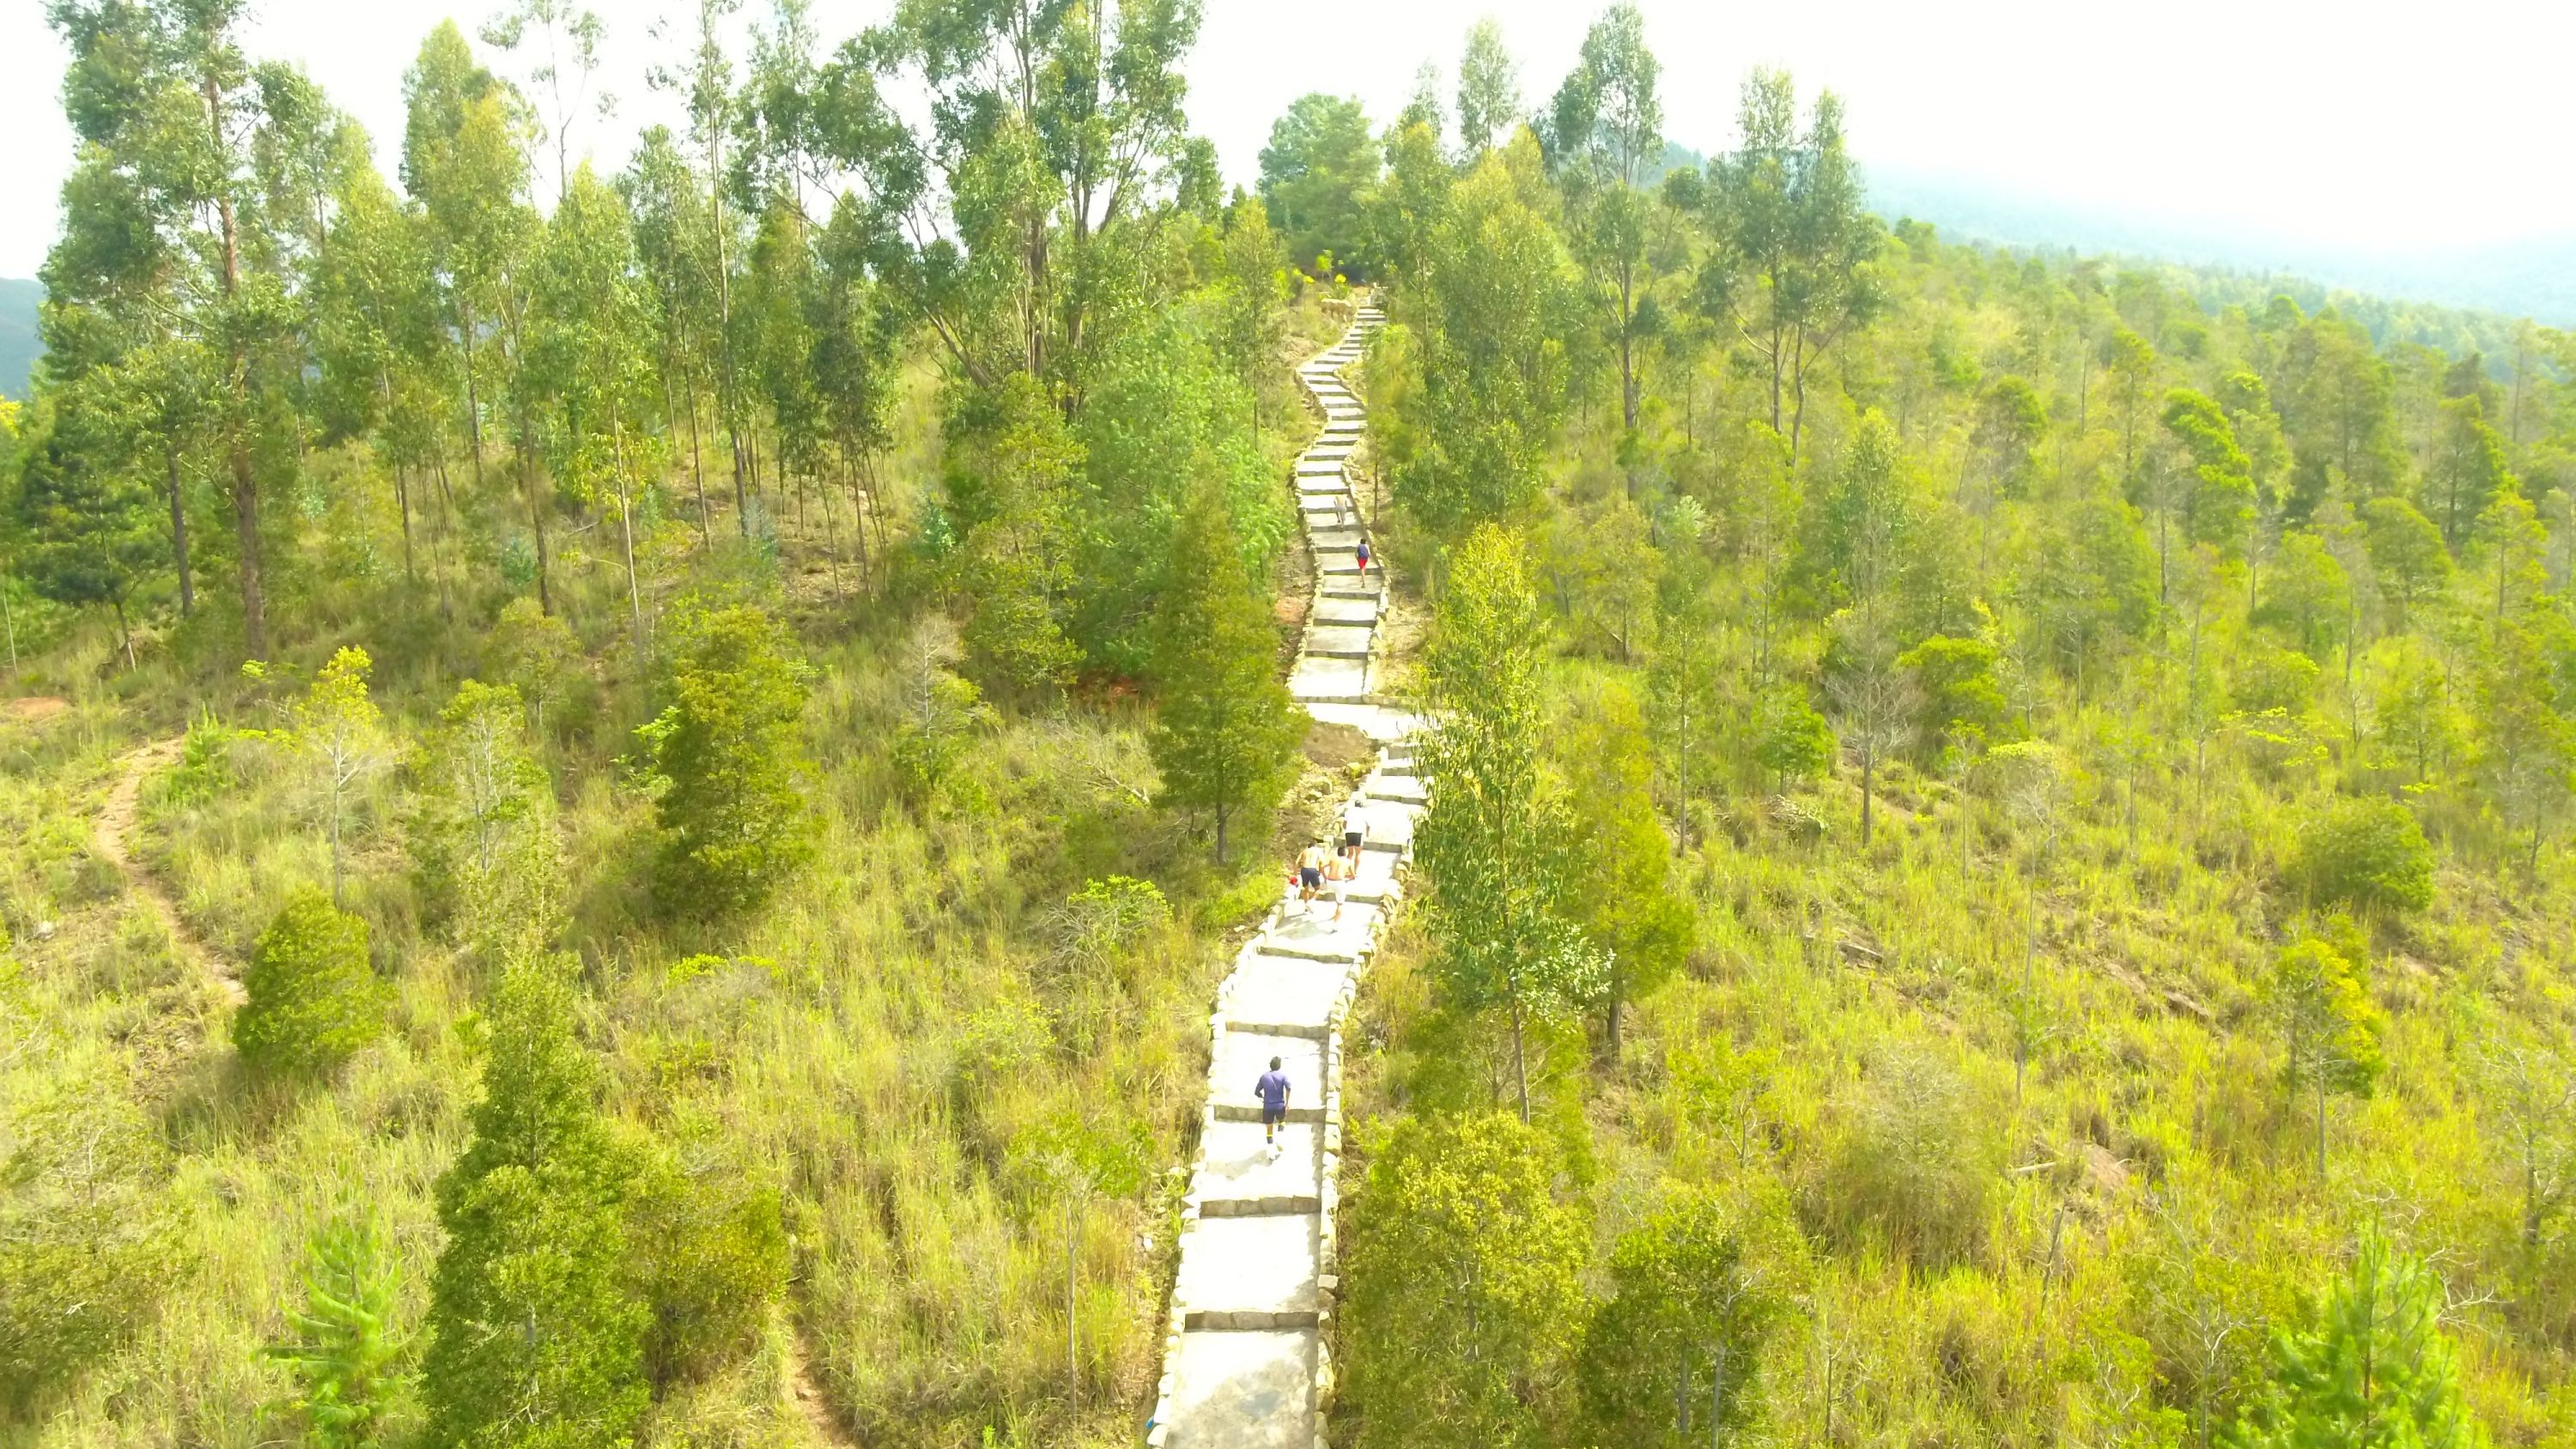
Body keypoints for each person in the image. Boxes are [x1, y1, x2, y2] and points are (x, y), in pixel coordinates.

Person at [1256, 1056, 1292, 1156]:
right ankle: (1280, 1138)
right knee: (1282, 1121)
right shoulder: (1283, 1076)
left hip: (1267, 1107)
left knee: (1269, 1129)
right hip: (1280, 1106)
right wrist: (1287, 1103)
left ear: (1270, 1065)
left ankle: (1271, 1154)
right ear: (1279, 1066)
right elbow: (1289, 1088)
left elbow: (1257, 1092)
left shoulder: (1264, 1077)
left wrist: (1262, 1097)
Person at [1296, 842, 1327, 913]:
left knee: (1306, 889)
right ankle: (1311, 902)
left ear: (1308, 847)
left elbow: (1296, 862)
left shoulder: (1304, 851)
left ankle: (1306, 906)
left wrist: (1295, 874)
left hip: (1304, 870)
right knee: (1317, 889)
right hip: (1313, 870)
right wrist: (1320, 872)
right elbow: (1323, 863)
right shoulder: (1318, 851)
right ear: (1315, 846)